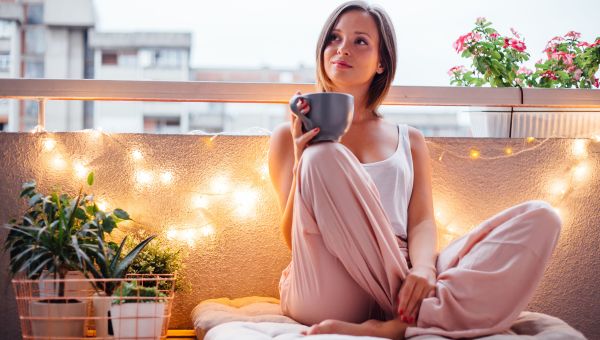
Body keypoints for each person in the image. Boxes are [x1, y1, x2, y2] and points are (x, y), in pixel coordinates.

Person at [267, 1, 562, 339]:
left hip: (401, 270)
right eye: (334, 38)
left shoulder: (410, 139)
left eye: (360, 40)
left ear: (381, 62)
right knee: (323, 157)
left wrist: (423, 270)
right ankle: (425, 312)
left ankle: (398, 321)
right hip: (327, 279)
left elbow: (421, 221)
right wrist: (302, 154)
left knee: (542, 217)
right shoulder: (289, 137)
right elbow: (292, 238)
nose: (343, 48)